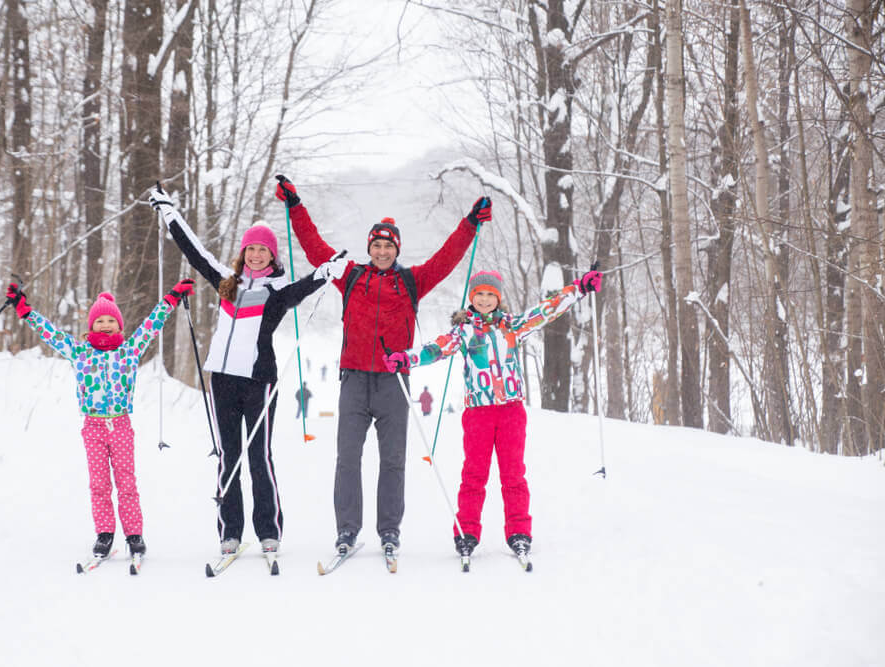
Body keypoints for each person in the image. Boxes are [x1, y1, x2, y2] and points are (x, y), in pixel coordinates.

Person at [275, 174, 490, 556]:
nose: (381, 251)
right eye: (376, 245)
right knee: (348, 459)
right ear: (369, 247)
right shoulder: (351, 276)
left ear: (396, 249)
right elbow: (314, 248)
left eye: (387, 246)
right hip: (355, 380)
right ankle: (347, 530)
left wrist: (470, 223)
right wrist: (295, 205)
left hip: (394, 383)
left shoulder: (412, 281)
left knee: (393, 461)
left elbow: (447, 256)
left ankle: (389, 530)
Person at [149, 185, 347, 558]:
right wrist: (169, 213)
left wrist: (327, 272)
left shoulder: (277, 290)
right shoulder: (227, 282)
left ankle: (268, 531)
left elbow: (305, 287)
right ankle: (230, 532)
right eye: (251, 249)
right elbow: (196, 252)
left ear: (272, 255)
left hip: (259, 382)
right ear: (244, 253)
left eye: (263, 250)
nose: (256, 255)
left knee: (259, 457)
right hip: (222, 380)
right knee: (228, 457)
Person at [383, 268, 602, 559]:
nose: (485, 299)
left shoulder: (512, 326)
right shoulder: (464, 331)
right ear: (471, 297)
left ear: (498, 298)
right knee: (474, 475)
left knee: (513, 475)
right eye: (479, 294)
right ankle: (467, 533)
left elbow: (546, 311)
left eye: (490, 294)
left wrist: (579, 288)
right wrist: (406, 359)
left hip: (511, 411)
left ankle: (519, 532)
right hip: (479, 414)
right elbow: (437, 348)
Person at [5, 278, 195, 560]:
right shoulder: (79, 352)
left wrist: (171, 299)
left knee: (127, 483)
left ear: (119, 326)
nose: (105, 324)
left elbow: (151, 326)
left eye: (110, 320)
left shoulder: (129, 351)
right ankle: (105, 534)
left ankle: (134, 534)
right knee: (99, 484)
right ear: (90, 326)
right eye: (99, 321)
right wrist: (25, 311)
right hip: (93, 427)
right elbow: (51, 335)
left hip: (120, 425)